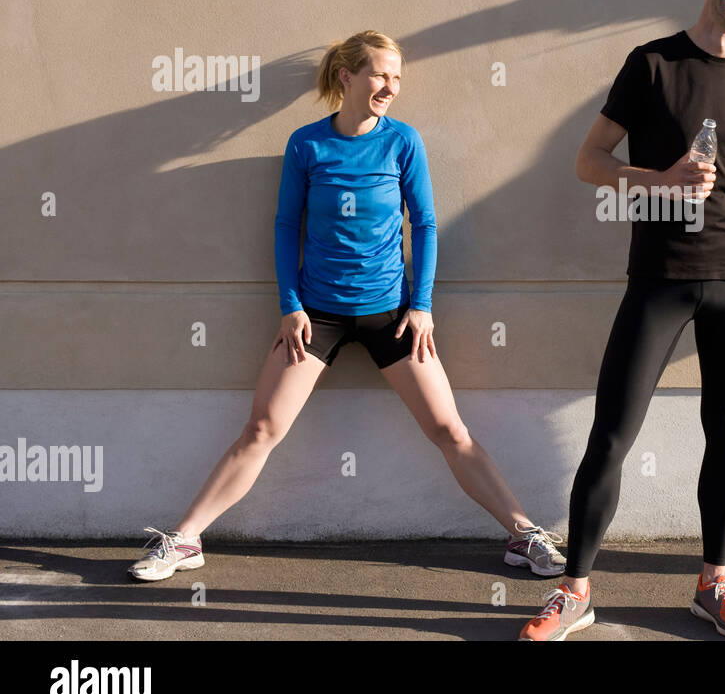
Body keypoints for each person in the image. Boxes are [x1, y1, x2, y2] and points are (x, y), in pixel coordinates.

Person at [129, 30, 565, 581]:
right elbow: (288, 226)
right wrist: (290, 304)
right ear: (347, 77)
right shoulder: (306, 143)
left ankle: (524, 535)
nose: (391, 86)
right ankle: (185, 541)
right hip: (319, 315)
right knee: (263, 428)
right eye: (381, 74)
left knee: (450, 431)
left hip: (393, 313)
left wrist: (423, 304)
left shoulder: (402, 141)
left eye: (397, 77)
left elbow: (425, 225)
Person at [519, 0, 725, 640]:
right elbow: (588, 162)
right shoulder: (652, 65)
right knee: (612, 433)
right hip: (661, 277)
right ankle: (575, 592)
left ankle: (714, 581)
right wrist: (659, 180)